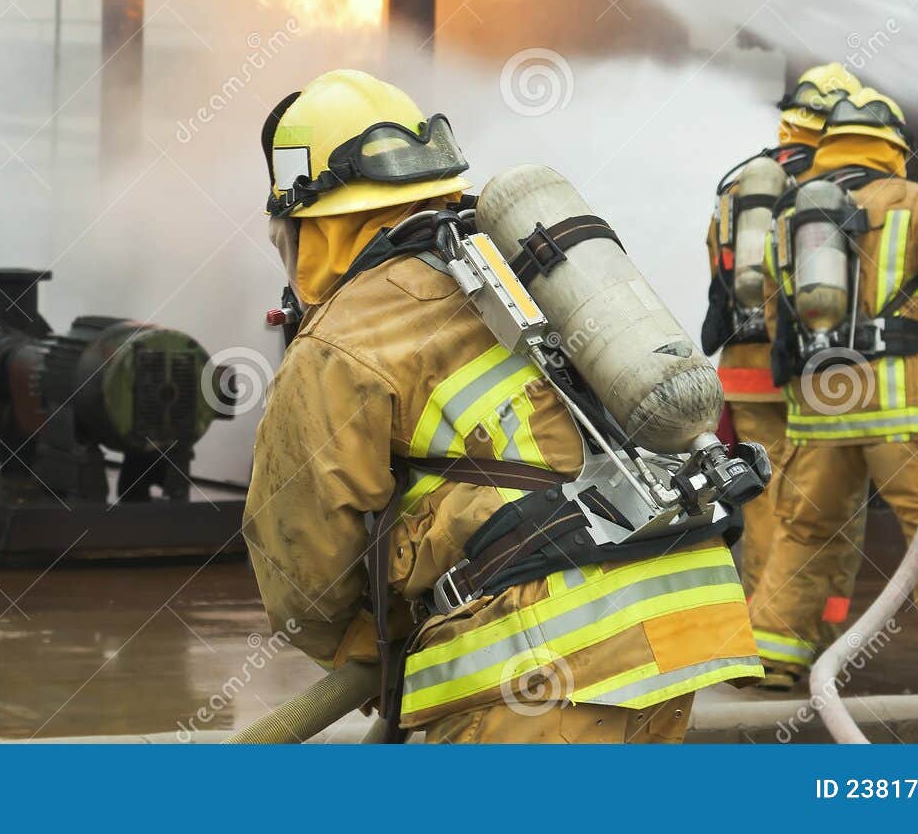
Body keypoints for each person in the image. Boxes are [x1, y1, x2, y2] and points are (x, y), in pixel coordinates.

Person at [242, 69, 762, 744]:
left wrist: (359, 645)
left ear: (313, 226)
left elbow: (302, 561)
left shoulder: (341, 340)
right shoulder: (514, 266)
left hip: (547, 654)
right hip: (679, 616)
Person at [748, 88, 918, 692]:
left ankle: (771, 657)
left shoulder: (790, 215)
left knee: (805, 529)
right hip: (900, 405)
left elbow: (776, 316)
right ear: (893, 149)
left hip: (820, 406)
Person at [703, 62, 866, 636]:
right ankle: (822, 622)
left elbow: (719, 271)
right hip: (816, 369)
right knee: (829, 498)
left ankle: (760, 620)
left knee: (764, 496)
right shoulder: (838, 188)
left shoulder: (737, 187)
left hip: (745, 369)